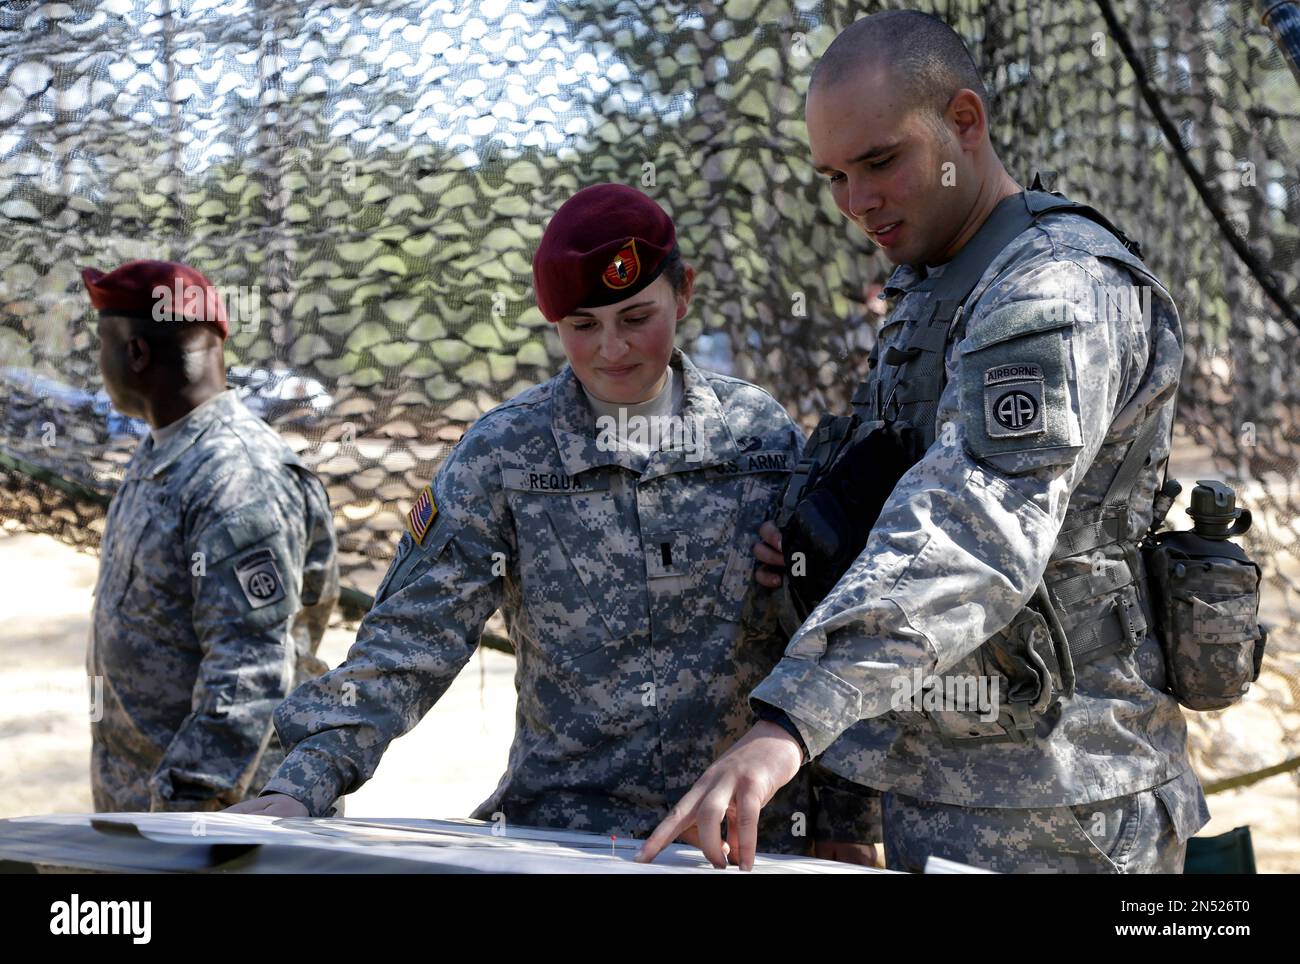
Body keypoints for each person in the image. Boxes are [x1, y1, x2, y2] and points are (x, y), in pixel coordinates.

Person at [639, 10, 1209, 873]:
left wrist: (792, 717)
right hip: (944, 776)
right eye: (833, 175)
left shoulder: (1052, 290)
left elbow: (975, 527)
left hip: (1064, 799)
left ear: (965, 123)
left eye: (879, 161)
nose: (856, 201)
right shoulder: (934, 282)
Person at [228, 184, 878, 862]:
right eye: (583, 325)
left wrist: (845, 822)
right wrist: (300, 786)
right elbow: (409, 639)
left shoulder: (760, 441)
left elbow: (827, 629)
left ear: (683, 293)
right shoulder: (504, 457)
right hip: (566, 838)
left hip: (742, 840)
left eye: (636, 316)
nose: (612, 349)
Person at [83, 259, 339, 812]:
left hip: (218, 825)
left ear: (135, 352)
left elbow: (249, 667)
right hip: (145, 809)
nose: (97, 363)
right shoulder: (166, 452)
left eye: (100, 344)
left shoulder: (237, 476)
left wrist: (184, 814)